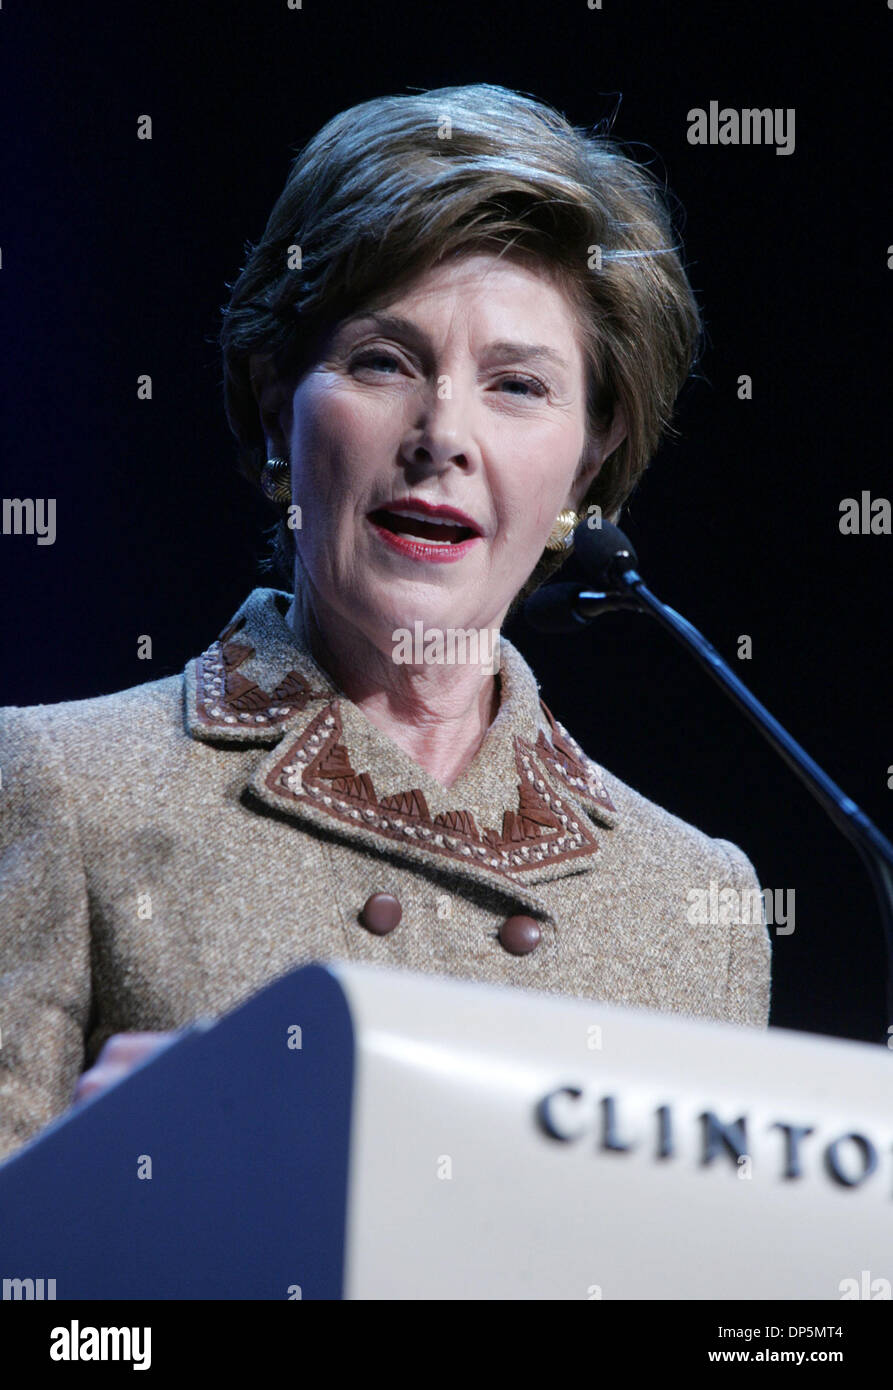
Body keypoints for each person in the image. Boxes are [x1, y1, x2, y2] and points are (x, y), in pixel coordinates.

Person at [0, 83, 770, 1163]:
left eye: (515, 385)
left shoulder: (694, 903)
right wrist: (124, 1187)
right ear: (277, 407)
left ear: (585, 467)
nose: (442, 432)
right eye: (383, 361)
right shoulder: (62, 785)